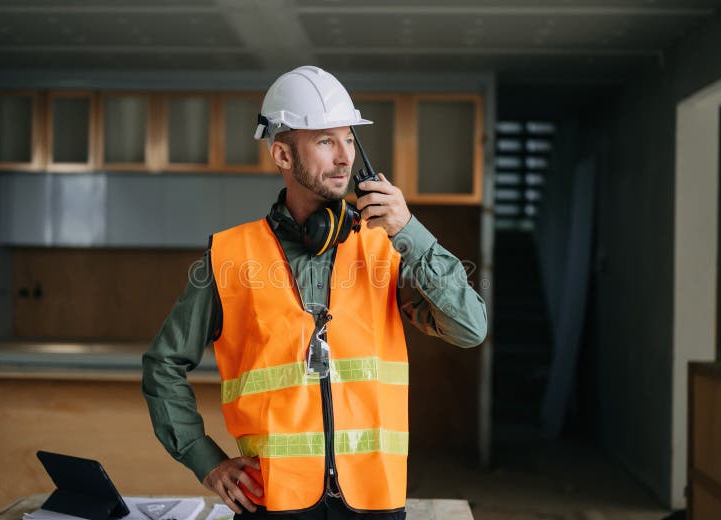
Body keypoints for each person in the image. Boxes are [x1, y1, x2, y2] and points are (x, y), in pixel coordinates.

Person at [142, 65, 488, 519]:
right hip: (275, 501)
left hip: (374, 500)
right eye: (325, 141)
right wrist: (206, 461)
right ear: (283, 156)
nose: (344, 157)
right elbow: (164, 365)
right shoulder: (229, 256)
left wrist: (412, 233)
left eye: (349, 139)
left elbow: (470, 328)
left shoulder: (389, 244)